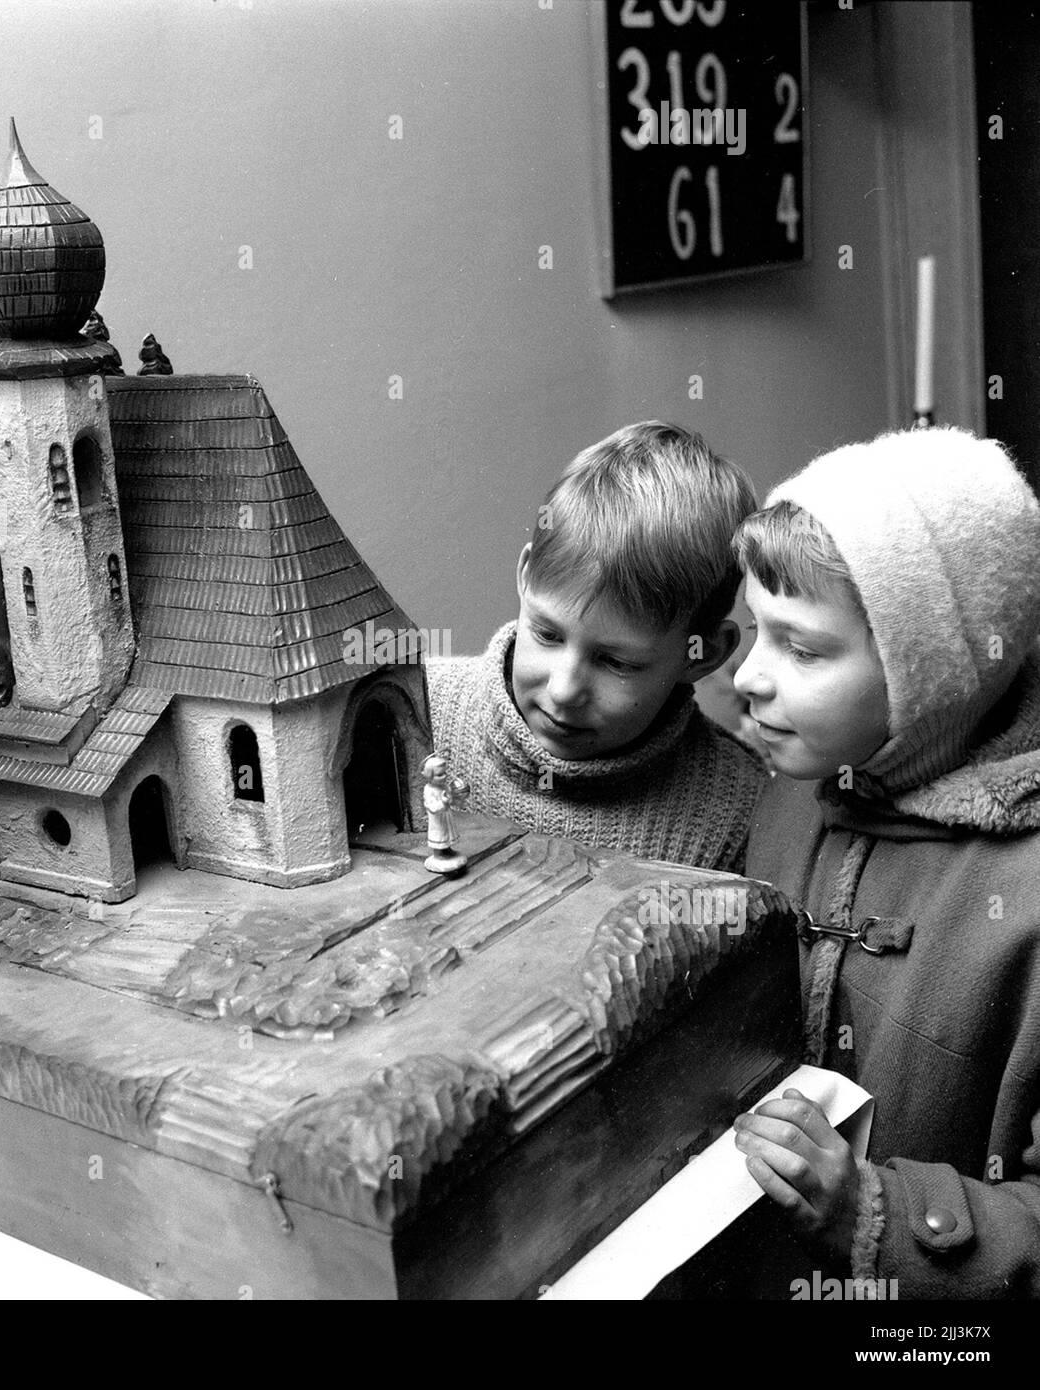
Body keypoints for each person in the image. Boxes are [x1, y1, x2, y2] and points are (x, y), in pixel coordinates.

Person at [731, 425, 1040, 1297]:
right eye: (755, 630)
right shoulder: (798, 783)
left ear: (927, 672)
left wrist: (869, 1210)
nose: (749, 677)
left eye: (801, 647)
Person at [427, 421, 765, 872]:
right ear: (526, 577)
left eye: (615, 662)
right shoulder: (417, 715)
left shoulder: (740, 809)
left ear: (704, 653)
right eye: (547, 634)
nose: (565, 691)